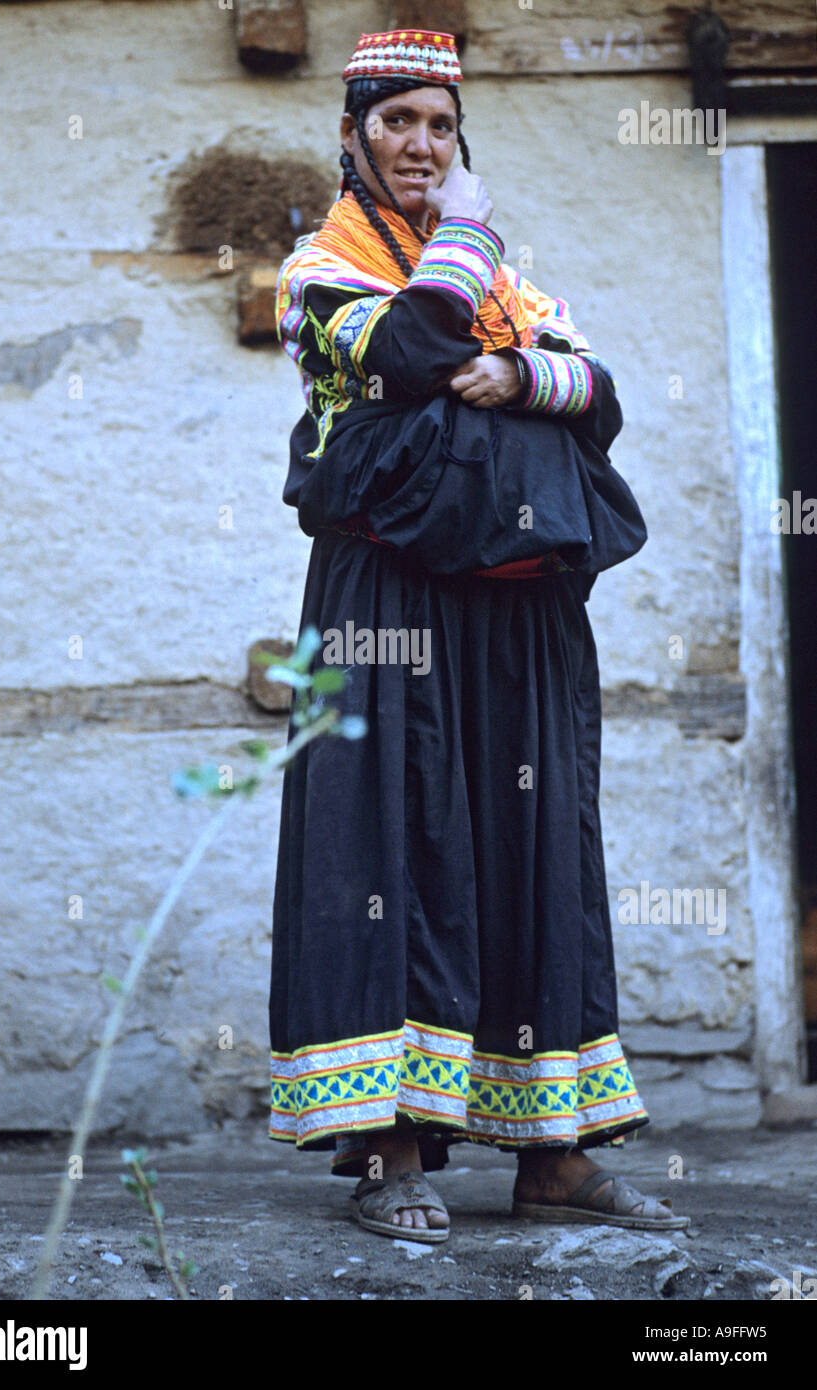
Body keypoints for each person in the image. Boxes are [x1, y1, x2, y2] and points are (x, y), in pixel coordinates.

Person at [269, 29, 688, 1242]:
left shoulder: (512, 293)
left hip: (516, 607)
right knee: (392, 839)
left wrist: (517, 378)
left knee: (533, 833)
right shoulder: (316, 272)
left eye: (440, 126)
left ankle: (551, 1152)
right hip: (387, 600)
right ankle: (392, 1151)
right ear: (351, 138)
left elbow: (596, 388)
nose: (419, 143)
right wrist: (471, 239)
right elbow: (406, 349)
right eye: (395, 121)